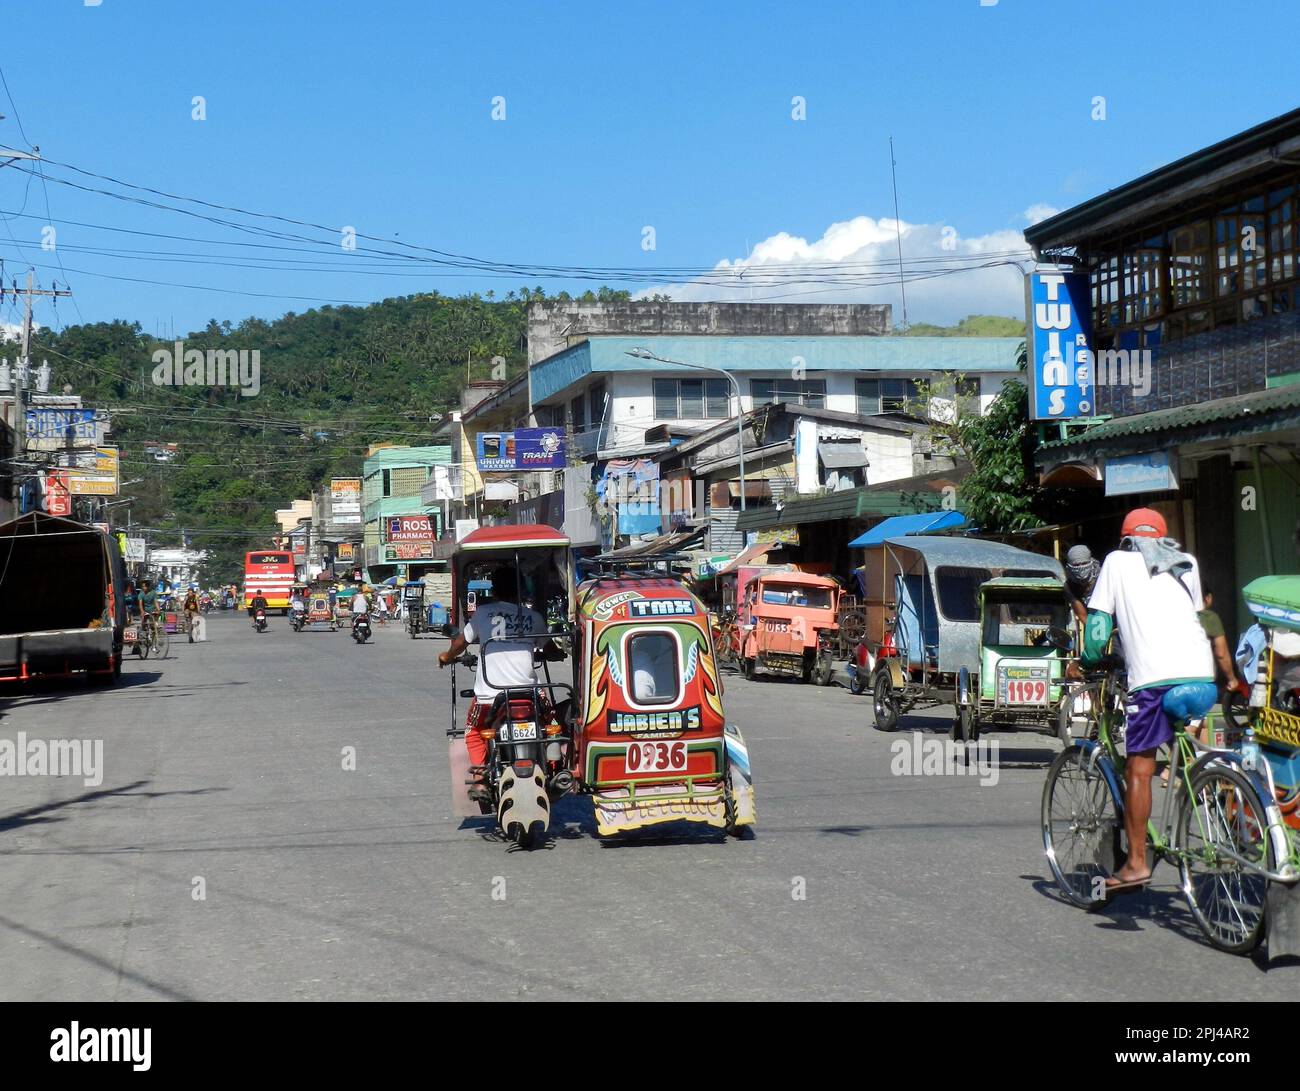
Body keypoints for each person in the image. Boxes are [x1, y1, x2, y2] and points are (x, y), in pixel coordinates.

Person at [1078, 508, 1216, 892]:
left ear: (1126, 538)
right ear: (1162, 536)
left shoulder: (1116, 561)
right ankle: (1209, 790)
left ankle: (1137, 863)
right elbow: (1200, 618)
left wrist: (1088, 660)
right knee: (1181, 747)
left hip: (1153, 681)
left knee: (1138, 770)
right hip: (1202, 675)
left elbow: (1099, 625)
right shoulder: (1186, 561)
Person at [438, 565, 560, 775]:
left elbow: (460, 643)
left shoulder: (482, 613)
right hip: (529, 695)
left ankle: (479, 777)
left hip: (490, 697)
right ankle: (554, 769)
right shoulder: (534, 617)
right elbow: (552, 650)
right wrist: (554, 654)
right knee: (552, 722)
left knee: (473, 732)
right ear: (521, 589)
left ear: (494, 590)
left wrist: (446, 656)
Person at [1064, 543, 1100, 626]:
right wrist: (1094, 632)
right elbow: (1082, 614)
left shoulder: (1103, 577)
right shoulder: (1069, 587)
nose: (1080, 567)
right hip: (1094, 627)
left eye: (1084, 563)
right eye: (1076, 565)